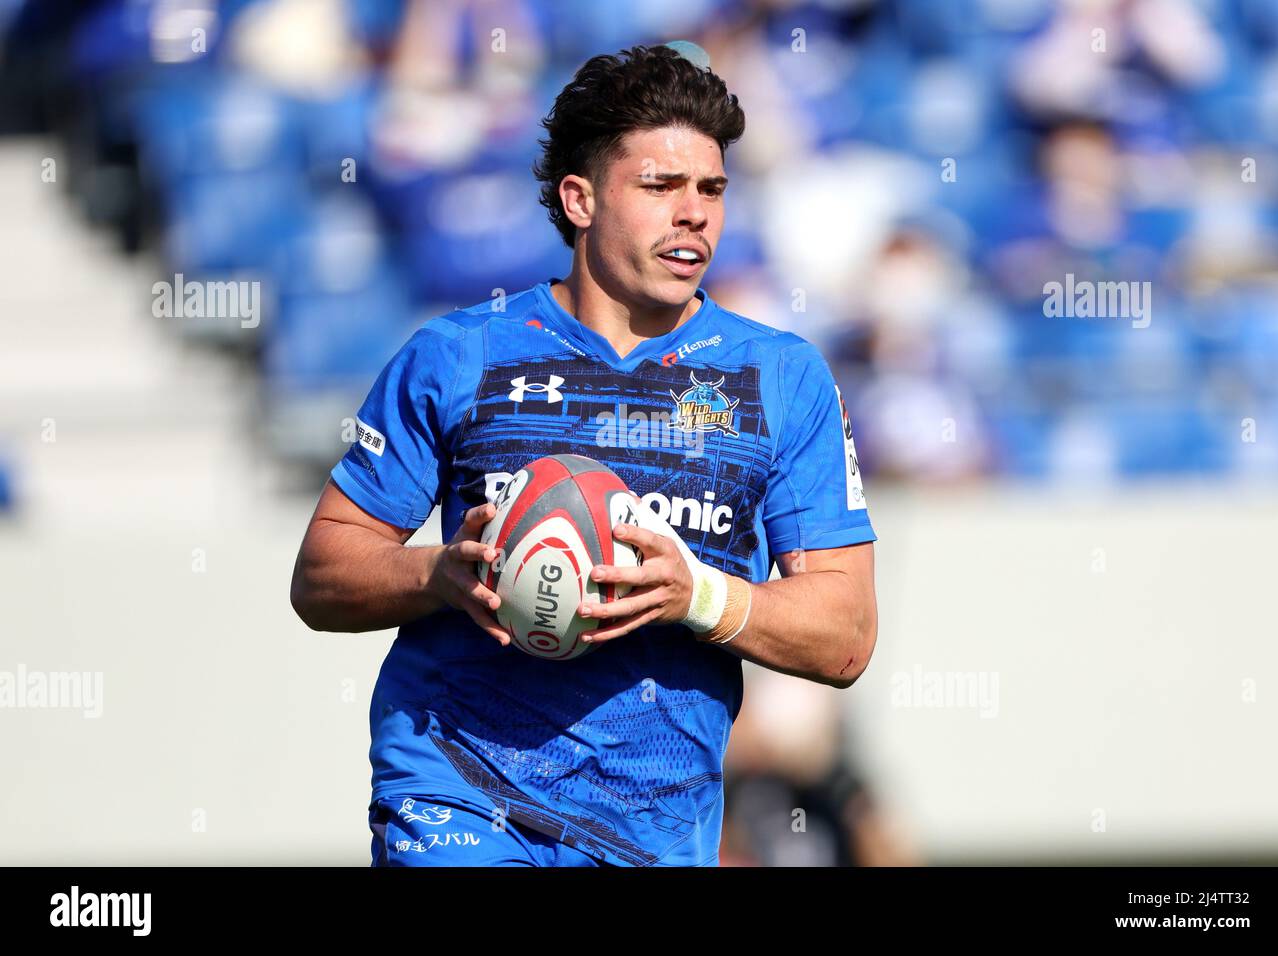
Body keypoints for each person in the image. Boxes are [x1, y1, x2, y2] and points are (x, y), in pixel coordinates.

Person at [289, 44, 879, 867]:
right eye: (659, 187)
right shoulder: (457, 355)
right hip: (456, 787)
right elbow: (320, 574)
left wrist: (694, 596)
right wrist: (436, 577)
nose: (695, 215)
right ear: (581, 198)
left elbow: (844, 634)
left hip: (651, 825)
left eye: (710, 189)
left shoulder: (782, 378)